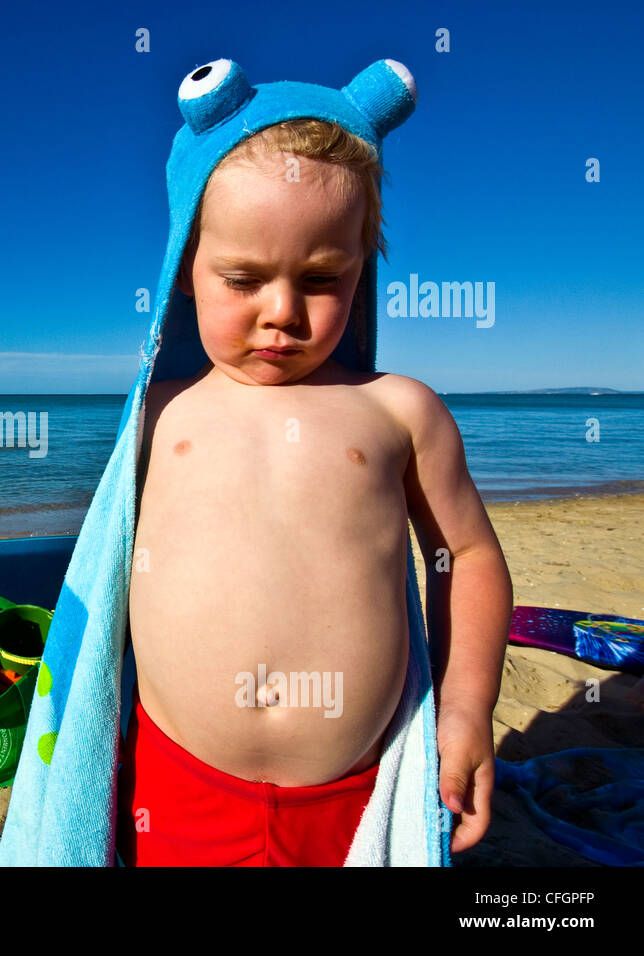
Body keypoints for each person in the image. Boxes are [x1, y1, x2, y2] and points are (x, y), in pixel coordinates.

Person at [118, 117, 514, 866]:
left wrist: (466, 710)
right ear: (185, 269)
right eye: (242, 279)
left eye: (321, 279)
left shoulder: (399, 410)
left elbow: (466, 554)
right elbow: (107, 571)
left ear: (362, 271)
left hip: (356, 793)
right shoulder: (158, 416)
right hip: (173, 787)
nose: (282, 313)